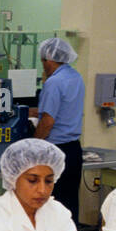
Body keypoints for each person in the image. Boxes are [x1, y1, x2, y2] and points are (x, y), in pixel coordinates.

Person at [30, 37, 85, 221]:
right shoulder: (75, 77)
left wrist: (33, 146)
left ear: (49, 59)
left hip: (55, 152)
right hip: (73, 150)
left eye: (43, 61)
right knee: (69, 203)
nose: (43, 65)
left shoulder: (54, 83)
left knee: (51, 204)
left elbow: (47, 121)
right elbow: (64, 107)